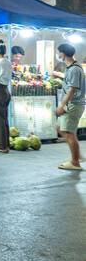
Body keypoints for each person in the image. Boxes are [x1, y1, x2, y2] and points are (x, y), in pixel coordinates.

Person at [54, 42, 83, 171]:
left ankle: (75, 162)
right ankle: (77, 155)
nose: (58, 54)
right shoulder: (71, 68)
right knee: (60, 128)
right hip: (71, 104)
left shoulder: (75, 69)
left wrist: (62, 105)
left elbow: (72, 90)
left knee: (68, 132)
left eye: (58, 52)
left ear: (63, 54)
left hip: (73, 104)